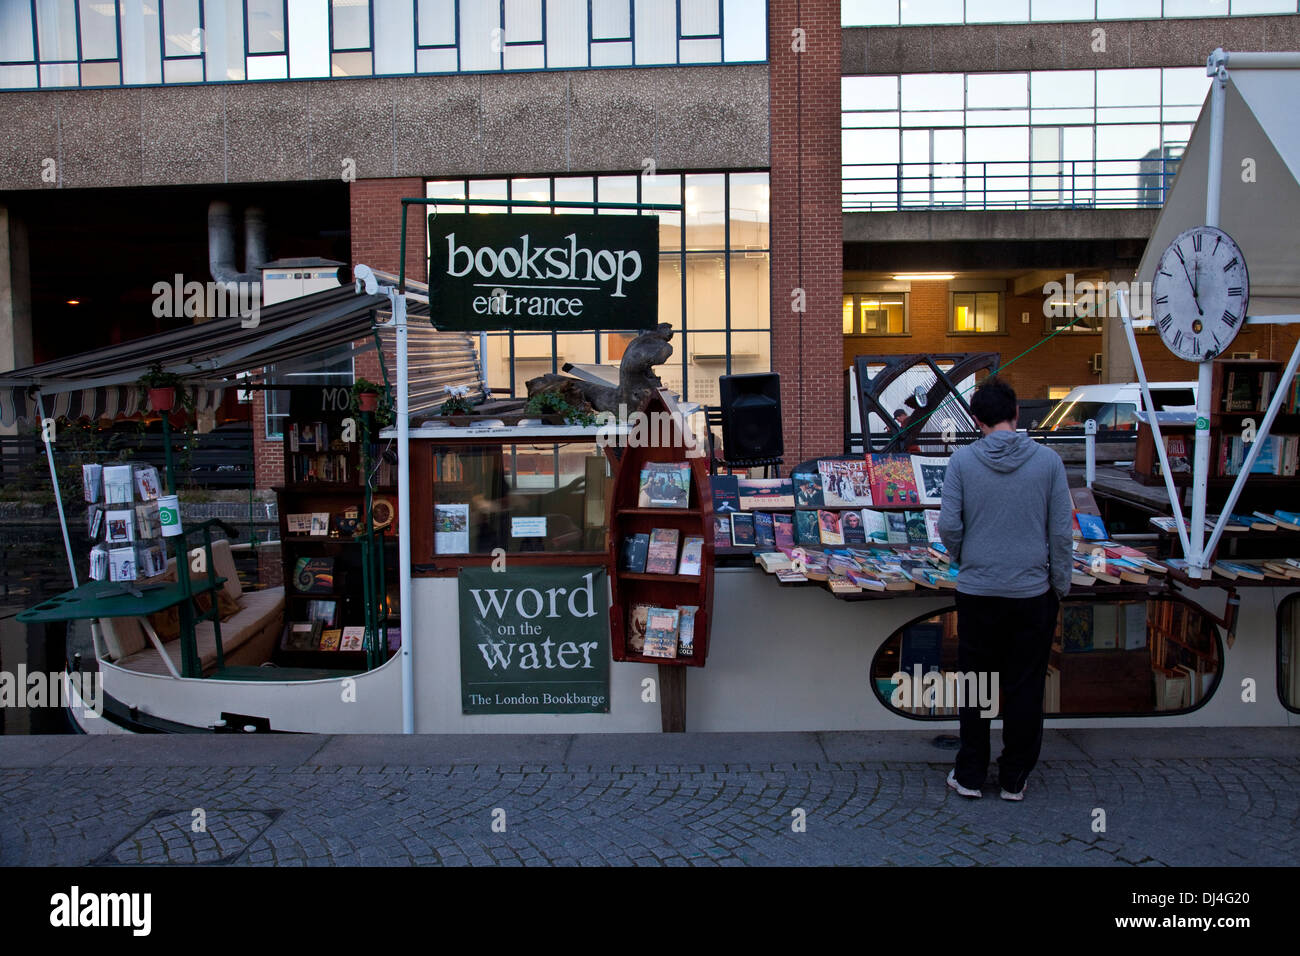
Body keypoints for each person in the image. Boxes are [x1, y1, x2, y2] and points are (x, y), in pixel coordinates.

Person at [938, 376, 1072, 802]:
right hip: (1032, 593)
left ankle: (972, 774)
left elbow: (949, 526)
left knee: (976, 681)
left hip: (978, 591)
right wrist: (1060, 585)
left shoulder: (962, 462)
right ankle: (1014, 776)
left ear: (977, 420)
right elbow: (1061, 534)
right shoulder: (1049, 462)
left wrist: (967, 556)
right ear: (1016, 414)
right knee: (1025, 684)